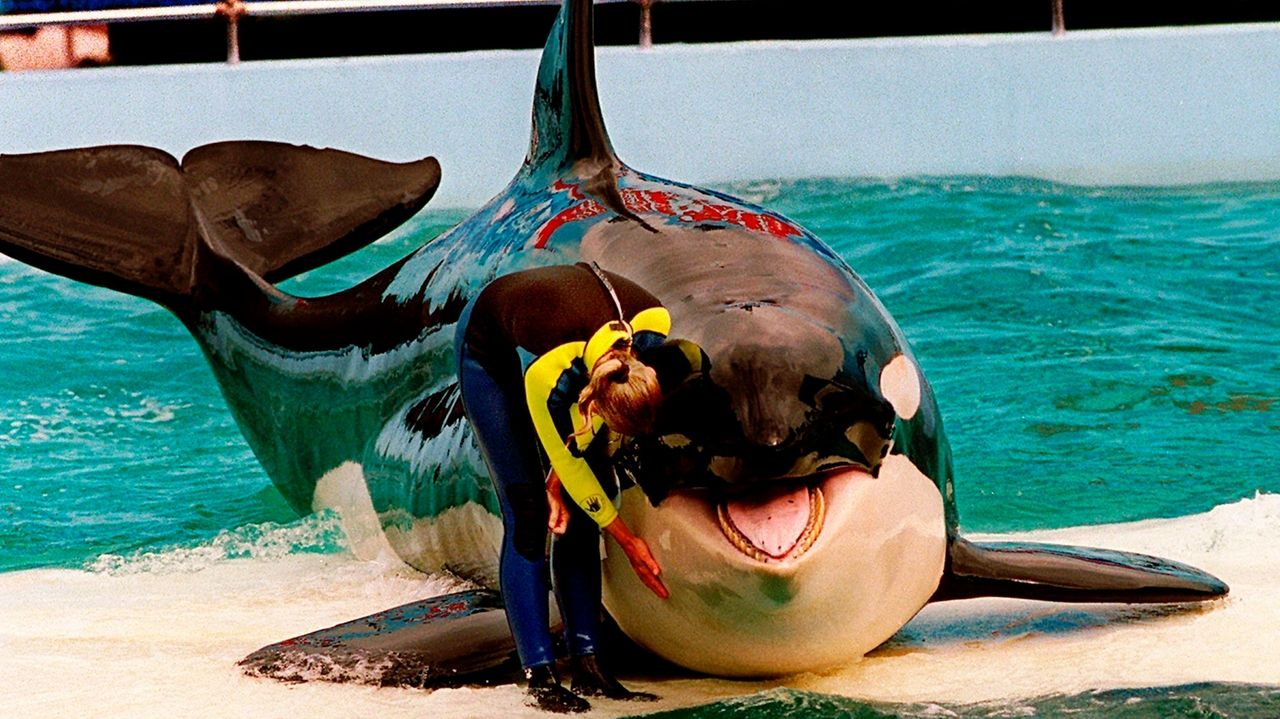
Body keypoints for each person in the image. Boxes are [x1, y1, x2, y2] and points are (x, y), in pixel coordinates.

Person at [454, 262, 672, 713]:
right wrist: (630, 542)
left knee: (579, 510)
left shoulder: (654, 333)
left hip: (584, 346)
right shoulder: (547, 375)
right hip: (487, 347)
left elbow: (584, 444)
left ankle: (589, 664)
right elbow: (565, 452)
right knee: (529, 513)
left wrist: (572, 480)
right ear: (593, 401)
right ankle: (540, 674)